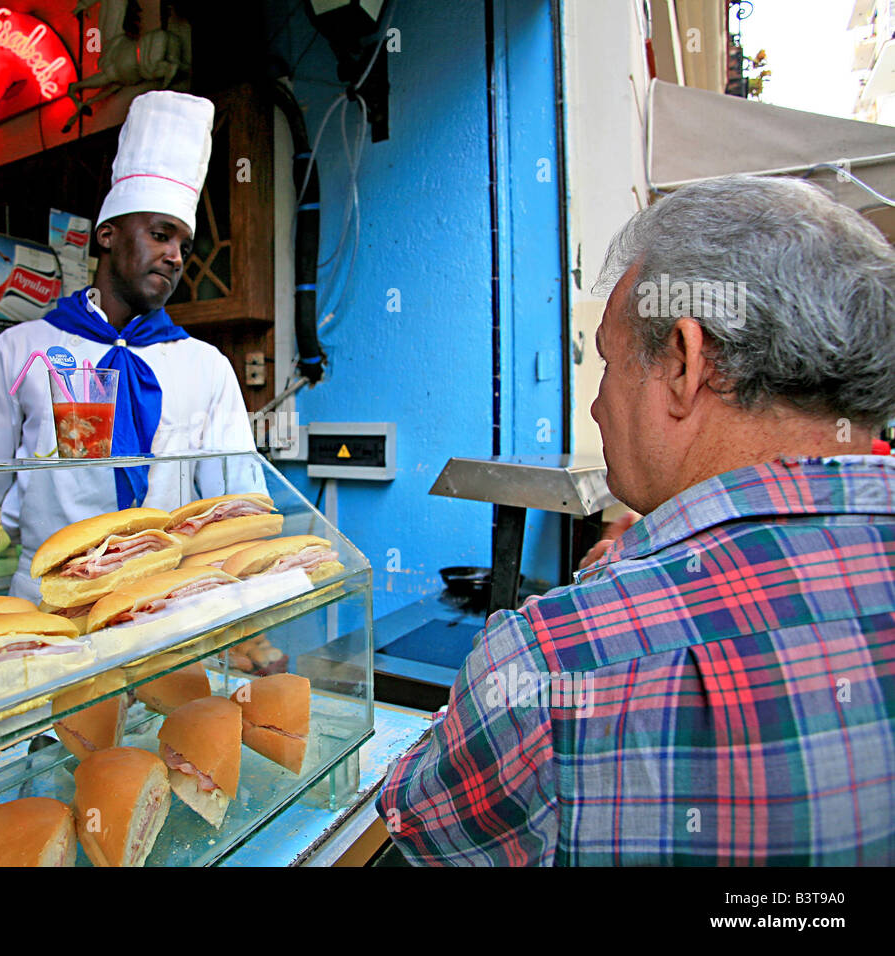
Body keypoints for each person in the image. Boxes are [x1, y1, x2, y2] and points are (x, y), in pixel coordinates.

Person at [378, 174, 895, 865]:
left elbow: (416, 821)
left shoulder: (556, 663)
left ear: (684, 363)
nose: (596, 406)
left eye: (610, 365)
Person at [0, 91, 262, 604]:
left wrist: (246, 622)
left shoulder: (206, 368)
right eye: (160, 234)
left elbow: (239, 511)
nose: (175, 257)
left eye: (183, 245)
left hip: (163, 605)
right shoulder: (19, 353)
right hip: (48, 606)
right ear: (107, 234)